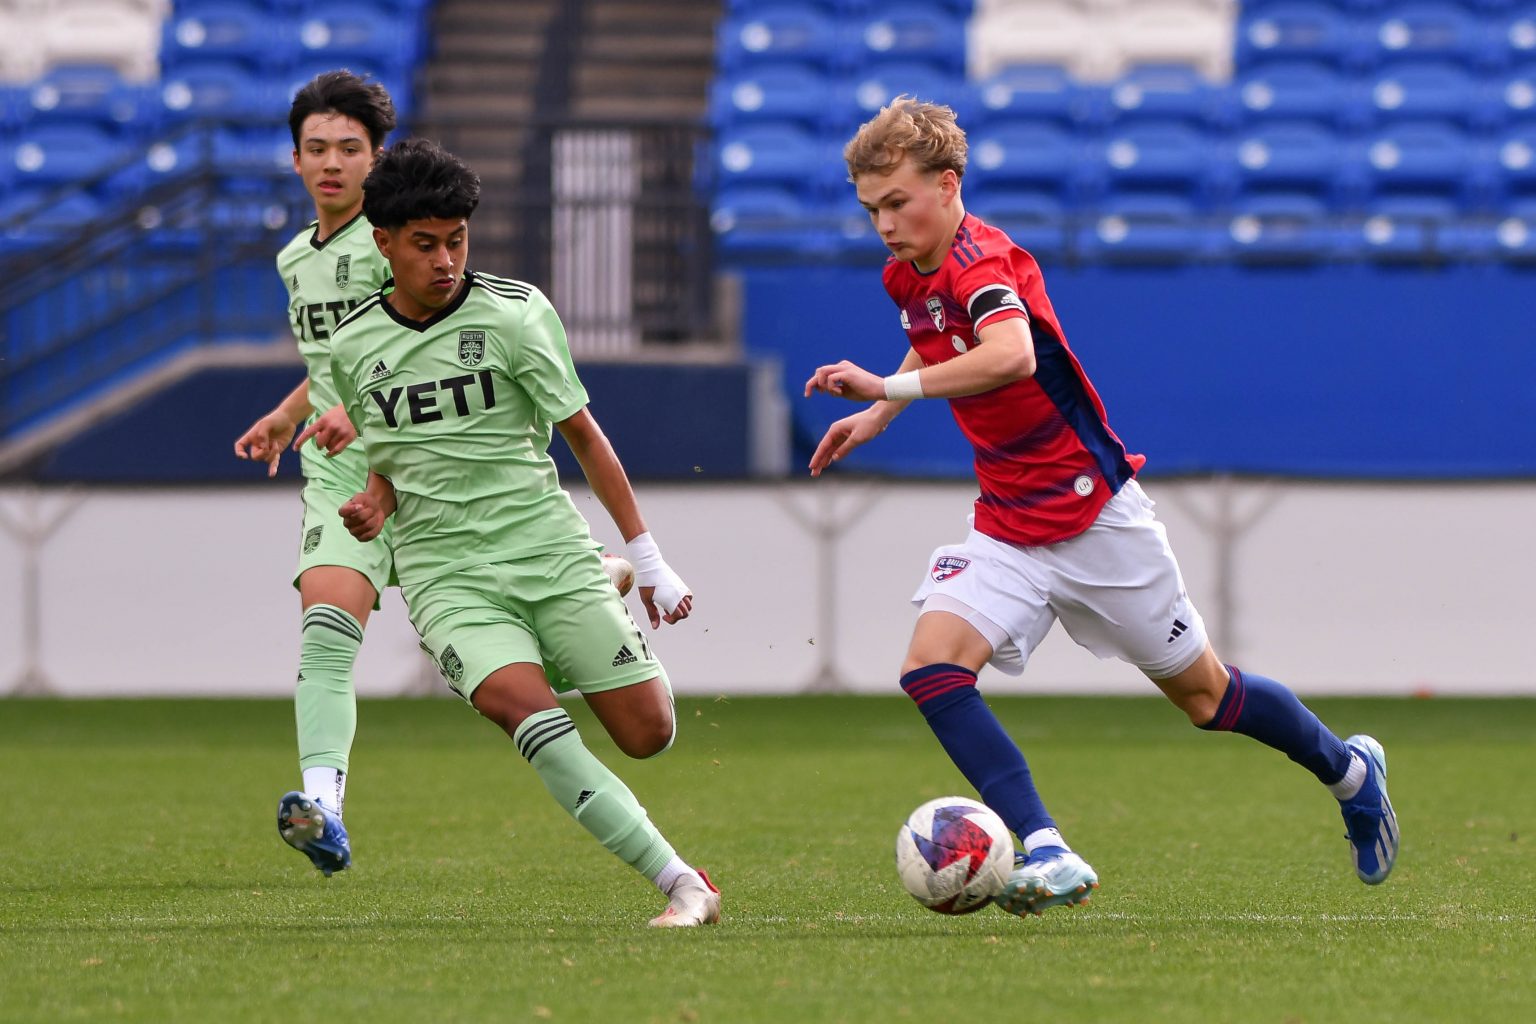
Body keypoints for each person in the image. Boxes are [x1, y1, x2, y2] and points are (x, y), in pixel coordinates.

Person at [804, 98, 1398, 917]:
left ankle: (1351, 774)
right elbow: (937, 333)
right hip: (1009, 523)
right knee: (932, 669)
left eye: (897, 203)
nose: (883, 224)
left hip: (1093, 519)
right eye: (871, 209)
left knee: (1210, 701)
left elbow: (1008, 354)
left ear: (947, 186)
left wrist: (886, 386)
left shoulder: (985, 262)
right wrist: (877, 414)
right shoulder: (907, 272)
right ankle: (1045, 847)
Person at [327, 138, 720, 926]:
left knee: (648, 735)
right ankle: (683, 884)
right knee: (527, 713)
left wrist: (649, 562)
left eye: (457, 240)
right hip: (446, 573)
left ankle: (602, 578)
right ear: (384, 243)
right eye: (425, 243)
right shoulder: (353, 345)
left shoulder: (515, 313)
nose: (446, 260)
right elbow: (394, 455)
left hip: (544, 546)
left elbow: (584, 436)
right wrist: (376, 498)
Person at [233, 70, 399, 876]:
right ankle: (323, 809)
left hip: (428, 466)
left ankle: (592, 576)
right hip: (338, 474)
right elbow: (332, 363)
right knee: (326, 633)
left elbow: (419, 353)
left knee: (503, 676)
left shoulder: (404, 243)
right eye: (316, 149)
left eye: (349, 149)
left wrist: (362, 413)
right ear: (295, 160)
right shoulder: (296, 258)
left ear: (378, 157)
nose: (331, 163)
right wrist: (291, 411)